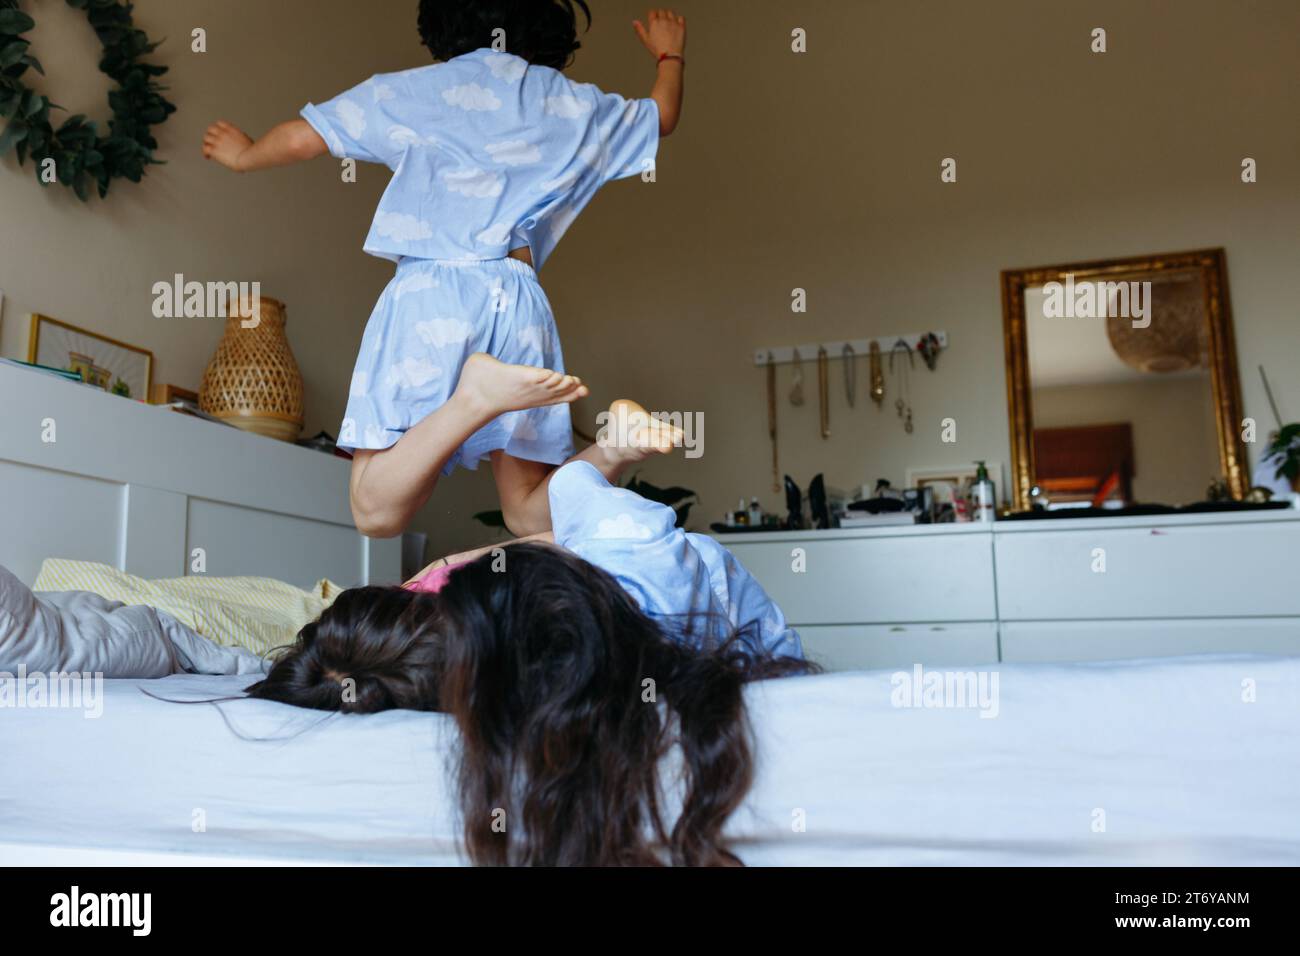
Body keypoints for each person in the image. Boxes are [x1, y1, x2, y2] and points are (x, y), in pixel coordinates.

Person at [202, 3, 688, 538]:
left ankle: (475, 397)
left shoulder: (413, 90)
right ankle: (616, 445)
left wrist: (244, 154)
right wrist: (670, 54)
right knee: (527, 513)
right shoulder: (572, 103)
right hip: (519, 299)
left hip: (431, 293)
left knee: (374, 511)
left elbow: (301, 137)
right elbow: (660, 116)